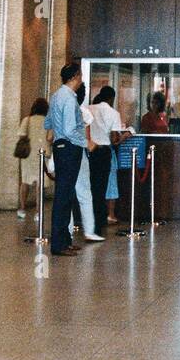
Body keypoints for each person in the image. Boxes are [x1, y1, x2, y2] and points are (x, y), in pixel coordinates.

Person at [44, 64, 85, 257]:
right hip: (69, 149)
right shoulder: (68, 98)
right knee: (63, 197)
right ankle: (59, 245)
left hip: (60, 148)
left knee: (65, 196)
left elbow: (48, 123)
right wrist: (86, 143)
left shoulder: (55, 96)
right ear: (76, 76)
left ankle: (65, 241)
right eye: (81, 75)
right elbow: (70, 130)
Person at [88, 86, 124, 235]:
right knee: (102, 187)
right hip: (103, 152)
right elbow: (114, 139)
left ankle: (87, 219)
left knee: (89, 186)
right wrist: (124, 136)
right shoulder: (114, 113)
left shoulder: (89, 108)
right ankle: (99, 220)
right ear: (112, 98)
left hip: (89, 150)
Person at [71, 83, 103, 243]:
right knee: (84, 193)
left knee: (66, 194)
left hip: (62, 155)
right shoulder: (84, 113)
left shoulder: (61, 109)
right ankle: (89, 231)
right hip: (79, 155)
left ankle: (67, 230)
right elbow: (88, 140)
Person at [17, 97, 50, 219]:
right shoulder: (48, 121)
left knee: (25, 181)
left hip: (28, 154)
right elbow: (51, 137)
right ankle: (38, 211)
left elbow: (21, 135)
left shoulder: (27, 120)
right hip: (43, 153)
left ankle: (22, 208)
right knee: (39, 183)